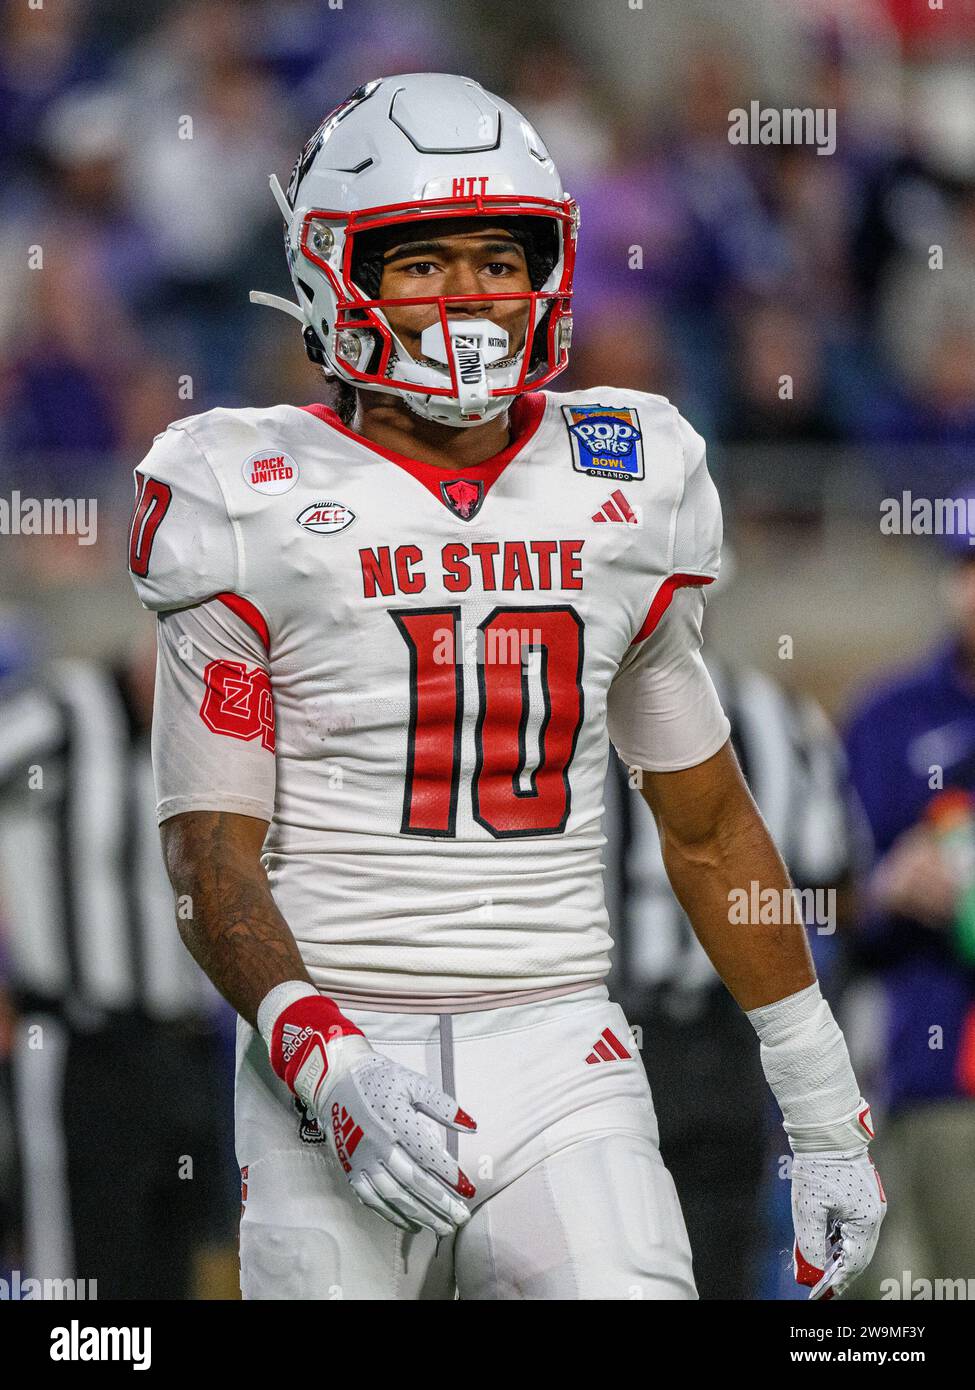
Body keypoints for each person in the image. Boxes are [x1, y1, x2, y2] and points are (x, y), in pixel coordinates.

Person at [128, 72, 884, 1301]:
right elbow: (210, 857)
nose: (470, 296)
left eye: (498, 256)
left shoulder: (625, 475)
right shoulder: (241, 490)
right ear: (336, 274)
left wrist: (823, 1106)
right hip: (335, 1040)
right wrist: (327, 1063)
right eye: (422, 263)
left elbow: (703, 822)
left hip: (560, 1045)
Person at [604, 634, 856, 1299]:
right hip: (700, 1032)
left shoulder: (569, 717)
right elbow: (832, 881)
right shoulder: (777, 714)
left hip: (639, 1031)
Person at [0, 638, 238, 1298]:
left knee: (171, 1269)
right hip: (83, 1049)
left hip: (184, 1051)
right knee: (78, 1278)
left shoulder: (211, 738)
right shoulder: (63, 714)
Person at [843, 519, 975, 1297]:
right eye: (967, 565)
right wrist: (888, 887)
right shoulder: (888, 717)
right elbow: (816, 897)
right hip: (920, 1071)